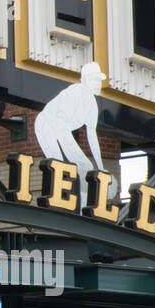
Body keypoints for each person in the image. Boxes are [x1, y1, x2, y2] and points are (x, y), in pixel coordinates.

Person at [34, 61, 110, 205]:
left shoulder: (92, 106)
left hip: (60, 128)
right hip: (46, 124)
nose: (98, 84)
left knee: (84, 166)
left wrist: (100, 167)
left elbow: (92, 137)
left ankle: (81, 202)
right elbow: (58, 122)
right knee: (59, 165)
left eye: (99, 80)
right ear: (85, 80)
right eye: (94, 79)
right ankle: (63, 201)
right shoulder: (76, 91)